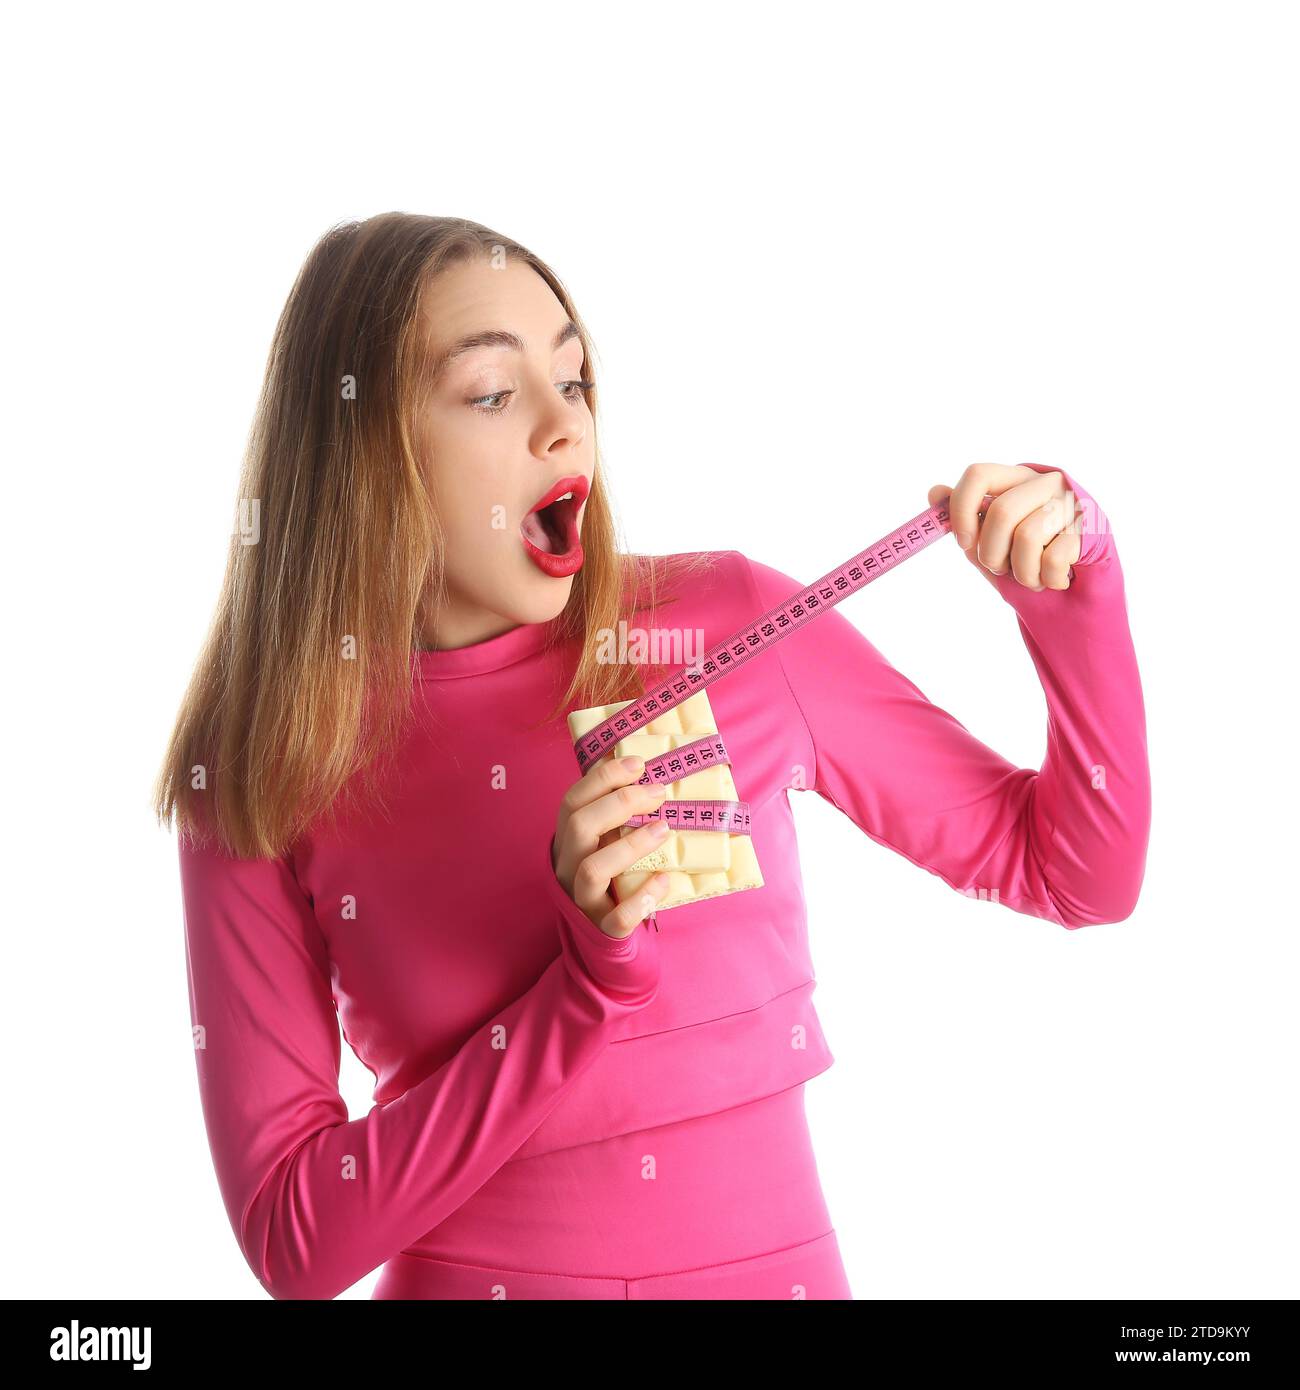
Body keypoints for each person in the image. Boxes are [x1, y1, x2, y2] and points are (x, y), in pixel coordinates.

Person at [154, 213, 1151, 1300]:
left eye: (574, 382)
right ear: (359, 449)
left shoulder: (727, 624)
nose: (560, 428)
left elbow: (1073, 874)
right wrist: (582, 991)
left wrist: (1072, 605)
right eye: (493, 393)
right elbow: (293, 1242)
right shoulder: (262, 759)